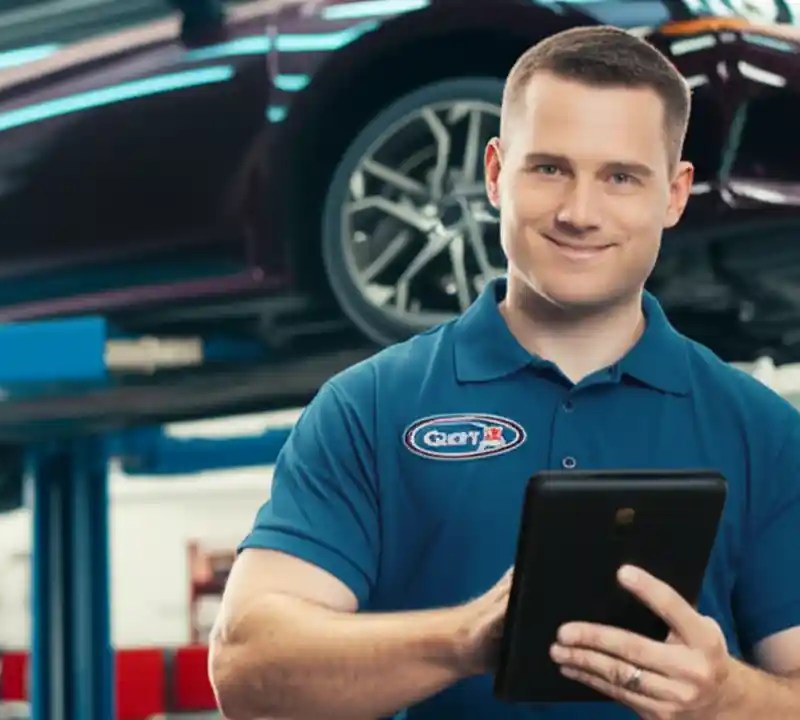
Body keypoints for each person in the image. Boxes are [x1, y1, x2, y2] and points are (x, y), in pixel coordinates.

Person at [208, 25, 800, 720]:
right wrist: (464, 638)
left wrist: (725, 697)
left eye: (620, 177)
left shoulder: (763, 433)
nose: (580, 213)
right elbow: (246, 670)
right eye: (550, 168)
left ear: (673, 195)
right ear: (494, 173)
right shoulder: (369, 410)